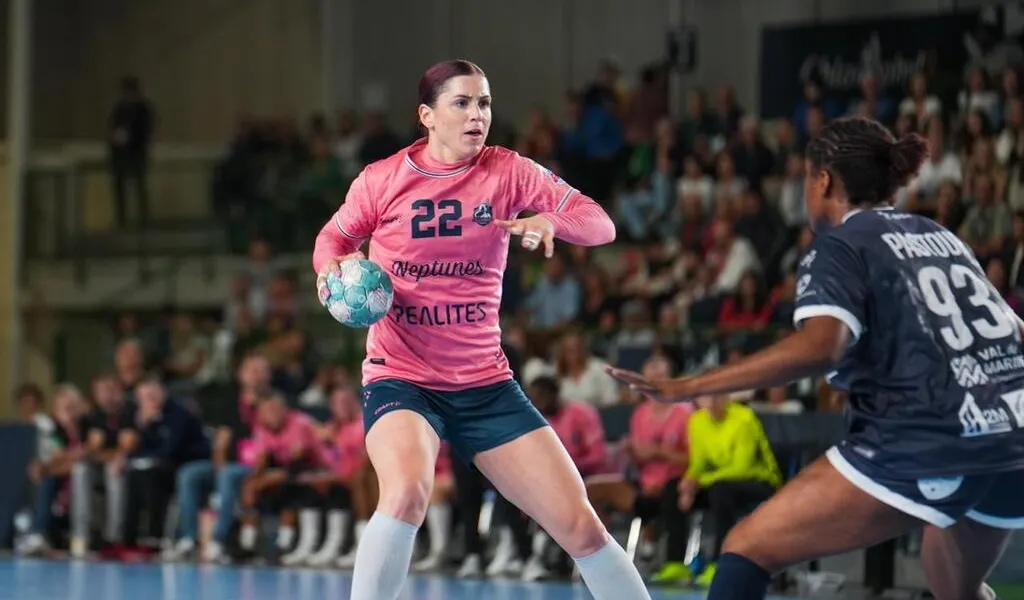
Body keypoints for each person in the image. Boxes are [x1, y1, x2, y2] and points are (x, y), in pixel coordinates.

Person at [606, 116, 1021, 600]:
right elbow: (1015, 332)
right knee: (957, 587)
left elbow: (823, 346)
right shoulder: (940, 237)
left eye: (806, 177)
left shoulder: (843, 245)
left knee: (745, 548)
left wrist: (692, 386)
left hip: (928, 437)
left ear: (823, 179)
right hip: (1011, 437)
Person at [312, 59, 650, 600]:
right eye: (462, 103)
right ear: (427, 115)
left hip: (484, 384)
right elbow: (331, 241)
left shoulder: (509, 170)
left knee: (582, 526)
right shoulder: (382, 179)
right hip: (402, 376)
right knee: (405, 495)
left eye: (485, 103)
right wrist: (332, 278)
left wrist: (549, 220)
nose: (477, 115)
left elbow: (601, 224)